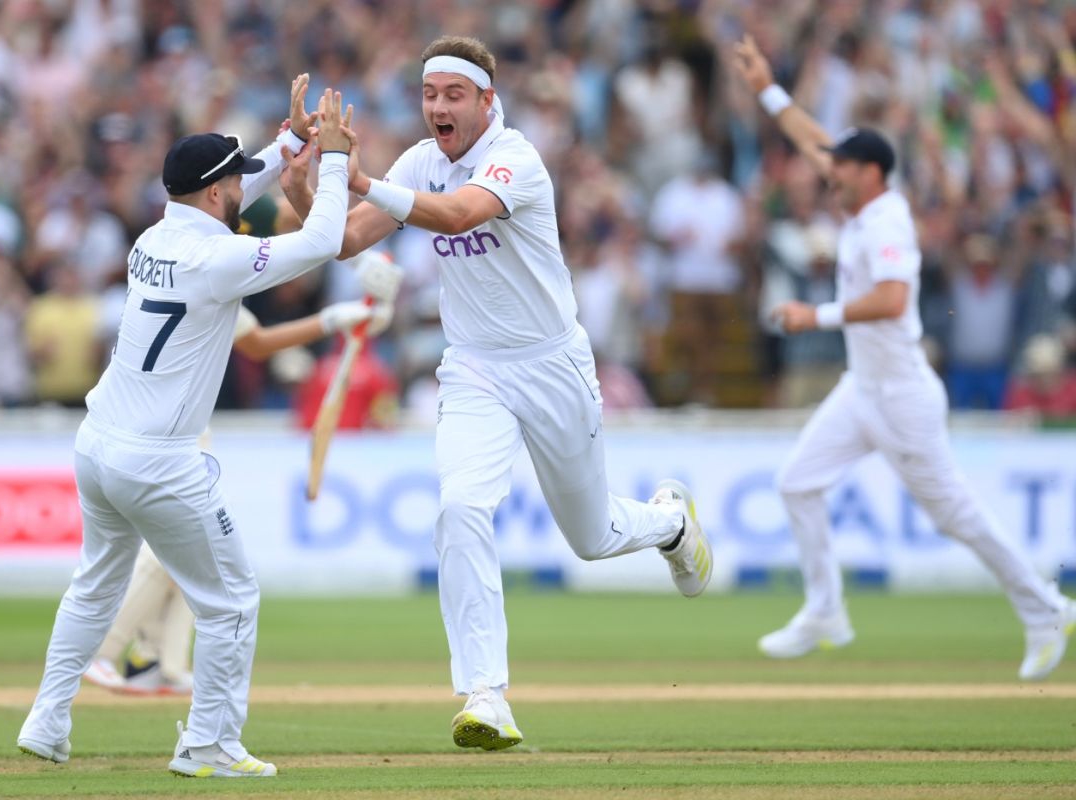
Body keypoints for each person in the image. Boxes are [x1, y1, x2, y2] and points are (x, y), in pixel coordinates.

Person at [282, 36, 712, 751]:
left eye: (454, 95)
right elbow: (339, 242)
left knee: (592, 536)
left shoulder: (517, 157)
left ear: (486, 100)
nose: (438, 108)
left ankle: (668, 524)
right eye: (429, 95)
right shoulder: (421, 160)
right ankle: (486, 696)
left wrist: (352, 177)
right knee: (459, 508)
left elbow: (455, 216)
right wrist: (308, 177)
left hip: (551, 363)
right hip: (474, 367)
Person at [17, 78, 370, 778]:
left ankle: (47, 718)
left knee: (94, 586)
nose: (245, 187)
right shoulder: (218, 259)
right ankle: (209, 745)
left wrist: (291, 142)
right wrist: (330, 158)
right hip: (159, 461)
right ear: (215, 195)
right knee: (232, 599)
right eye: (234, 181)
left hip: (99, 446)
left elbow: (241, 185)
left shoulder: (155, 234)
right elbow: (326, 238)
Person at [734, 35, 1075, 681]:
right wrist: (765, 86)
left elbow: (892, 300)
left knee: (957, 516)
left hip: (904, 396)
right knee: (796, 482)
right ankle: (827, 610)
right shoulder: (861, 199)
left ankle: (1046, 607)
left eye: (839, 168)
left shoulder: (888, 222)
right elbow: (810, 137)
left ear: (869, 172)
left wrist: (817, 315)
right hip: (862, 387)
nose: (826, 173)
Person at [83, 297, 382, 695]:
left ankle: (159, 663)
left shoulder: (180, 268)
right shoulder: (202, 272)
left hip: (171, 425)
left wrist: (337, 316)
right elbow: (258, 337)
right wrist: (330, 319)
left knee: (189, 553)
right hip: (160, 430)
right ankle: (101, 651)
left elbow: (255, 336)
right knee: (169, 551)